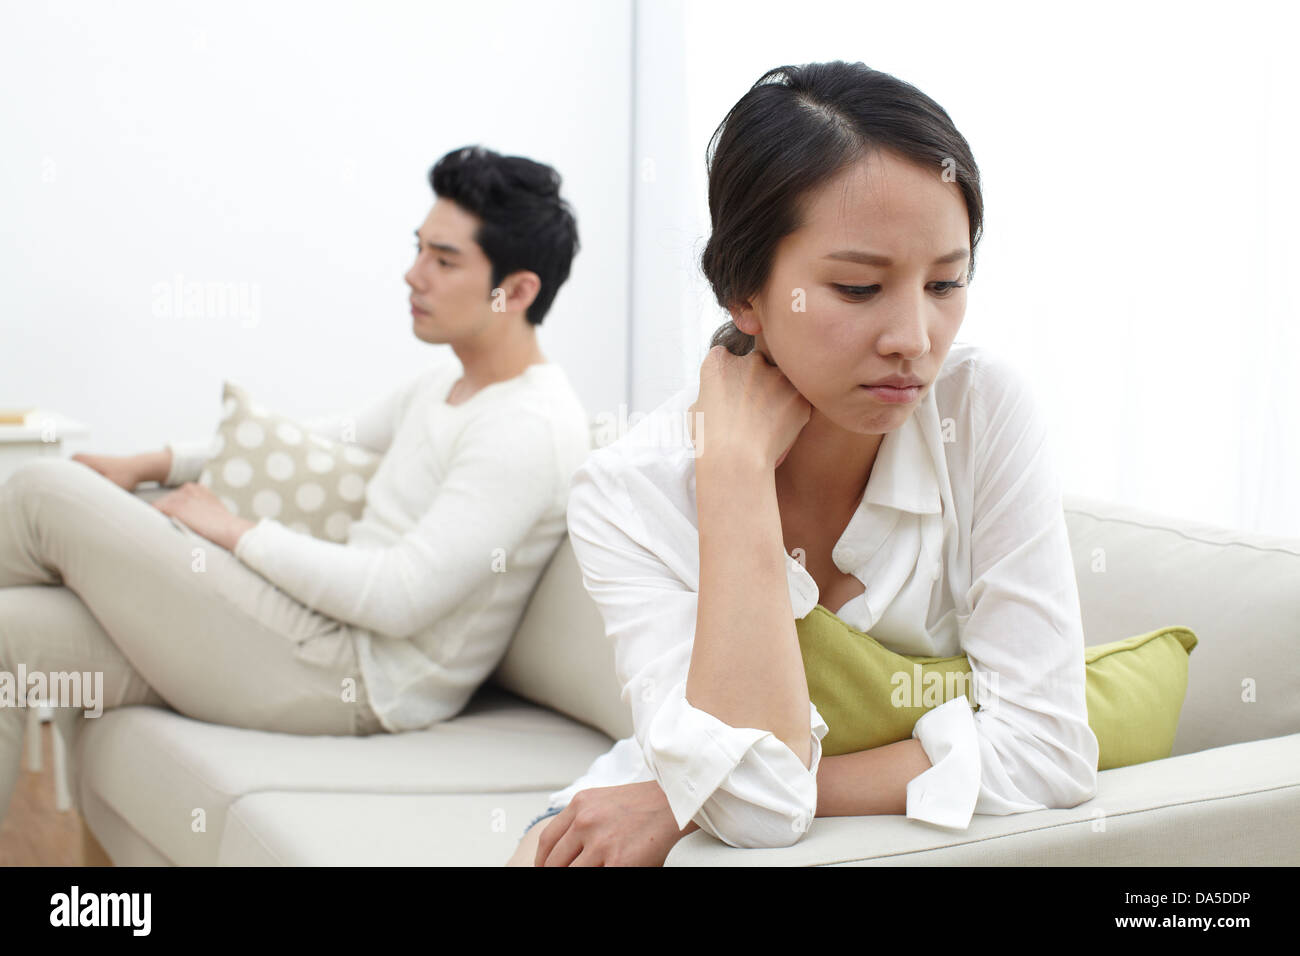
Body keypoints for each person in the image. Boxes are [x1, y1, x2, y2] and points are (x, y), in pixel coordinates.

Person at [508, 61, 1099, 867]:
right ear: (745, 293)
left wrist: (684, 800)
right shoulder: (630, 490)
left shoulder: (980, 411)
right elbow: (755, 814)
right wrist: (734, 477)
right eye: (857, 287)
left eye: (945, 283)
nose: (913, 339)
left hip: (665, 805)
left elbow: (1049, 752)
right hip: (636, 819)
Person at [0, 144, 592, 831]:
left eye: (444, 260)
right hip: (304, 636)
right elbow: (324, 436)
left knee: (43, 490)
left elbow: (399, 597)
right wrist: (155, 462)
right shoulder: (449, 383)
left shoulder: (527, 427)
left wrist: (236, 532)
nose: (413, 275)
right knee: (10, 635)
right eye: (419, 249)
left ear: (515, 292)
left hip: (350, 677)